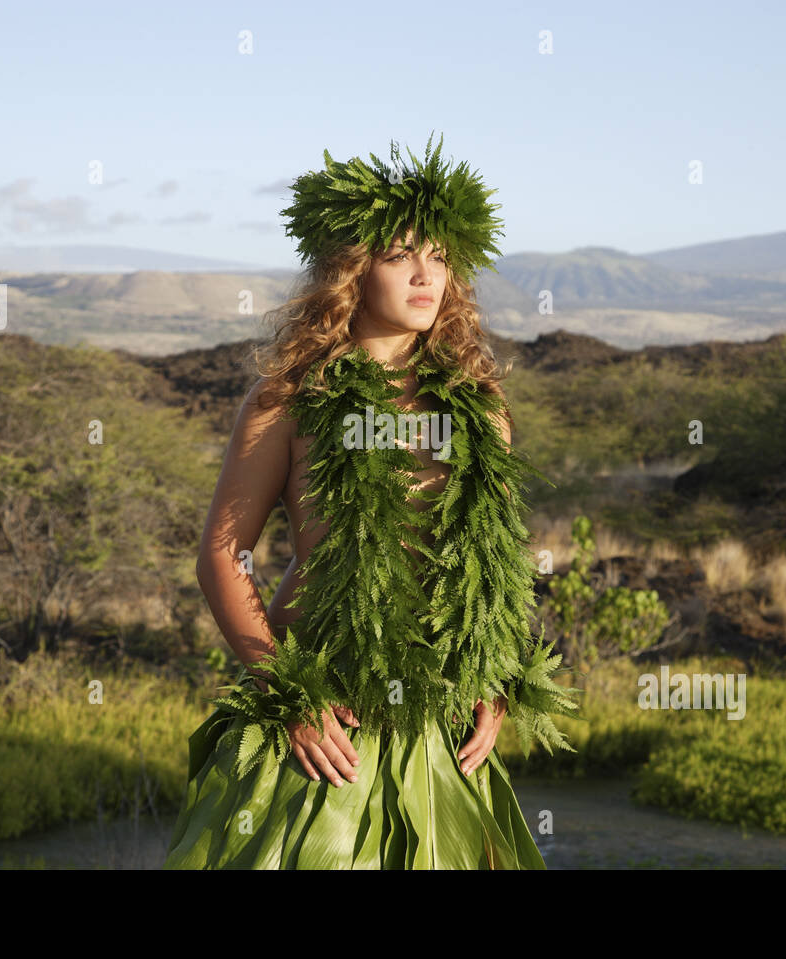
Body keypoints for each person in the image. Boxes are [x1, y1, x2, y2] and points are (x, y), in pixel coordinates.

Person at [163, 133, 579, 869]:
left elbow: (493, 563)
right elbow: (223, 553)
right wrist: (287, 689)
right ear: (350, 271)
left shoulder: (482, 408)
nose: (427, 275)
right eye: (400, 255)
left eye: (440, 256)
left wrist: (497, 673)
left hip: (442, 728)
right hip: (329, 720)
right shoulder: (287, 401)